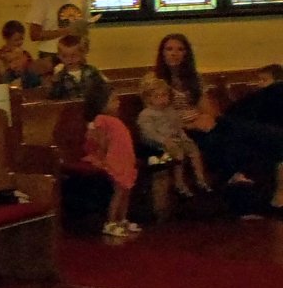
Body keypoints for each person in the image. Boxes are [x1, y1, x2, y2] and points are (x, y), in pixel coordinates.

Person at [136, 79, 210, 197]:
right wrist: (164, 140)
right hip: (158, 144)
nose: (162, 99)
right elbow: (148, 133)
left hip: (177, 138)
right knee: (178, 154)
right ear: (149, 99)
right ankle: (179, 183)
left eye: (164, 95)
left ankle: (200, 179)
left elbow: (178, 126)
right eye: (157, 96)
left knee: (194, 150)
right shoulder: (146, 114)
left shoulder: (170, 111)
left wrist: (184, 137)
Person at [84, 83, 139, 238]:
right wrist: (102, 158)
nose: (118, 103)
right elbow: (99, 141)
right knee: (119, 191)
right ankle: (111, 222)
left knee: (126, 191)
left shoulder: (115, 119)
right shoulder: (101, 119)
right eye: (114, 100)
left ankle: (122, 219)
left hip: (125, 158)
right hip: (115, 159)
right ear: (101, 103)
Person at [150, 32, 203, 115]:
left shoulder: (195, 77)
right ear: (162, 53)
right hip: (168, 123)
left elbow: (205, 107)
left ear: (186, 54)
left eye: (180, 49)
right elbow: (153, 114)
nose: (174, 53)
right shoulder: (152, 80)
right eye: (169, 49)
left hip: (196, 119)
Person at [46, 33, 104, 103]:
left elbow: (103, 89)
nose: (69, 59)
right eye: (64, 56)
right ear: (58, 56)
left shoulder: (91, 71)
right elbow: (53, 97)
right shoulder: (60, 76)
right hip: (69, 109)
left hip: (91, 107)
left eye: (74, 56)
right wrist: (54, 83)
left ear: (82, 54)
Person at [0, 21, 38, 87]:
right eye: (16, 40)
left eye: (21, 39)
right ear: (6, 39)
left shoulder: (26, 54)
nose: (19, 42)